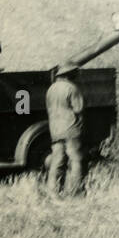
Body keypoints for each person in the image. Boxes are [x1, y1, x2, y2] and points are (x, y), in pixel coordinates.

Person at [45, 62, 86, 196]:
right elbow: (78, 109)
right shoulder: (72, 88)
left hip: (55, 129)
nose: (76, 74)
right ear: (69, 74)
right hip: (70, 128)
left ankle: (53, 191)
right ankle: (76, 191)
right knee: (76, 159)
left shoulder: (51, 89)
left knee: (57, 160)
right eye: (74, 72)